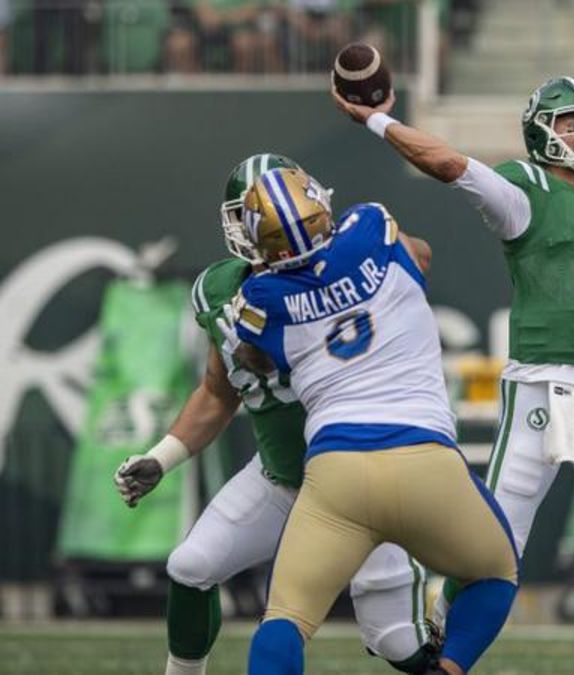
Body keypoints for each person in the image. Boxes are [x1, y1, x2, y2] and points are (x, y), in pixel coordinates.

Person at [332, 75, 574, 673]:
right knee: (493, 547)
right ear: (541, 130)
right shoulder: (523, 188)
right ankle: (436, 623)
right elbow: (450, 163)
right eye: (571, 122)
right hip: (539, 387)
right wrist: (377, 121)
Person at [113, 153, 439, 675]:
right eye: (251, 214)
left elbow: (418, 256)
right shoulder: (220, 291)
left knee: (399, 643)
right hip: (284, 476)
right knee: (191, 566)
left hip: (363, 481)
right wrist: (162, 456)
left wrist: (367, 265)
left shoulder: (349, 264)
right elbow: (220, 393)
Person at [222, 167, 517, 674]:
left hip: (336, 473)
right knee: (495, 573)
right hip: (425, 461)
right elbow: (419, 255)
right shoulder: (370, 226)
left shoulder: (259, 301)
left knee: (286, 618)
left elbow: (256, 359)